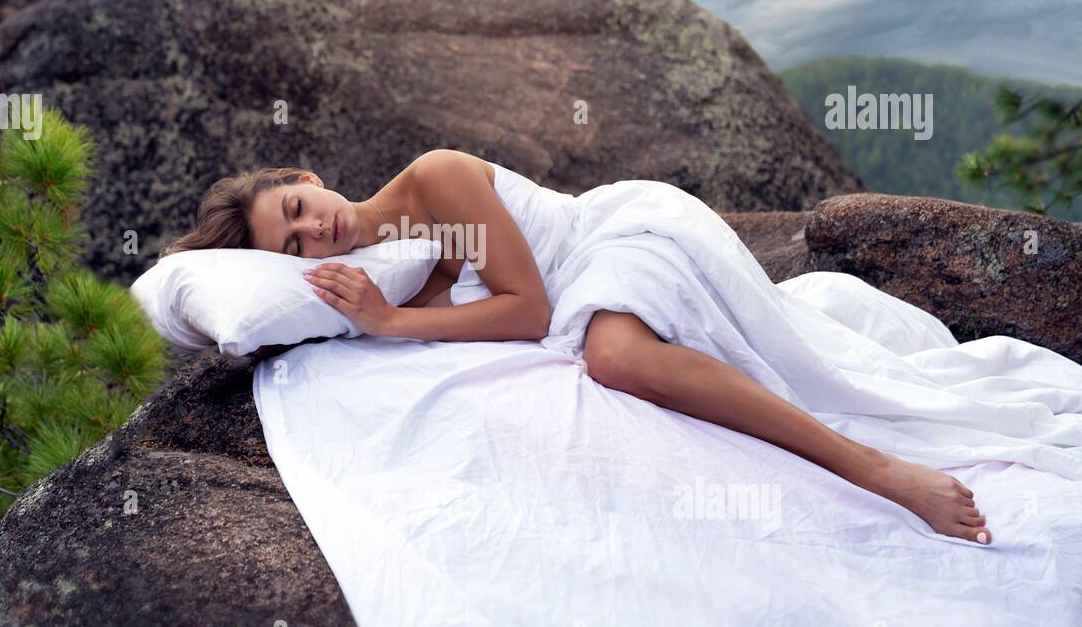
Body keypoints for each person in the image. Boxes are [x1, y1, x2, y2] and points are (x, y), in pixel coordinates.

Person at [164, 148, 1082, 546]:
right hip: (584, 283)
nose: (312, 235)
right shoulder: (396, 265)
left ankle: (882, 471)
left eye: (296, 210)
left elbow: (523, 309)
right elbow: (464, 315)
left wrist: (389, 324)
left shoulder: (435, 181)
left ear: (307, 178)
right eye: (292, 248)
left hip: (618, 237)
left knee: (616, 360)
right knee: (606, 365)